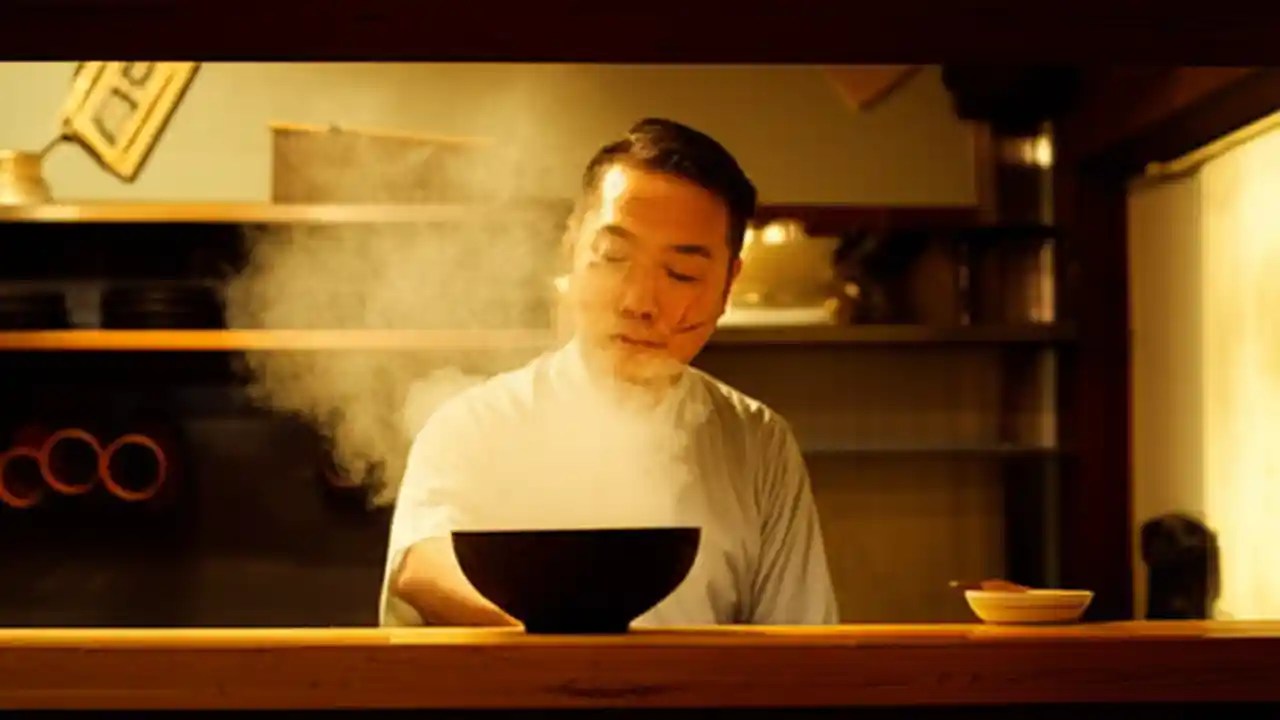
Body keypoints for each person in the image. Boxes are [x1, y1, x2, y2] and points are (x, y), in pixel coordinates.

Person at [380, 118, 838, 627]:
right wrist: (572, 650)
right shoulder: (477, 423)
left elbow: (799, 644)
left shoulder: (758, 446)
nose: (640, 301)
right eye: (614, 256)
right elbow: (423, 568)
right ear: (572, 246)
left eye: (682, 274)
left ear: (728, 282)